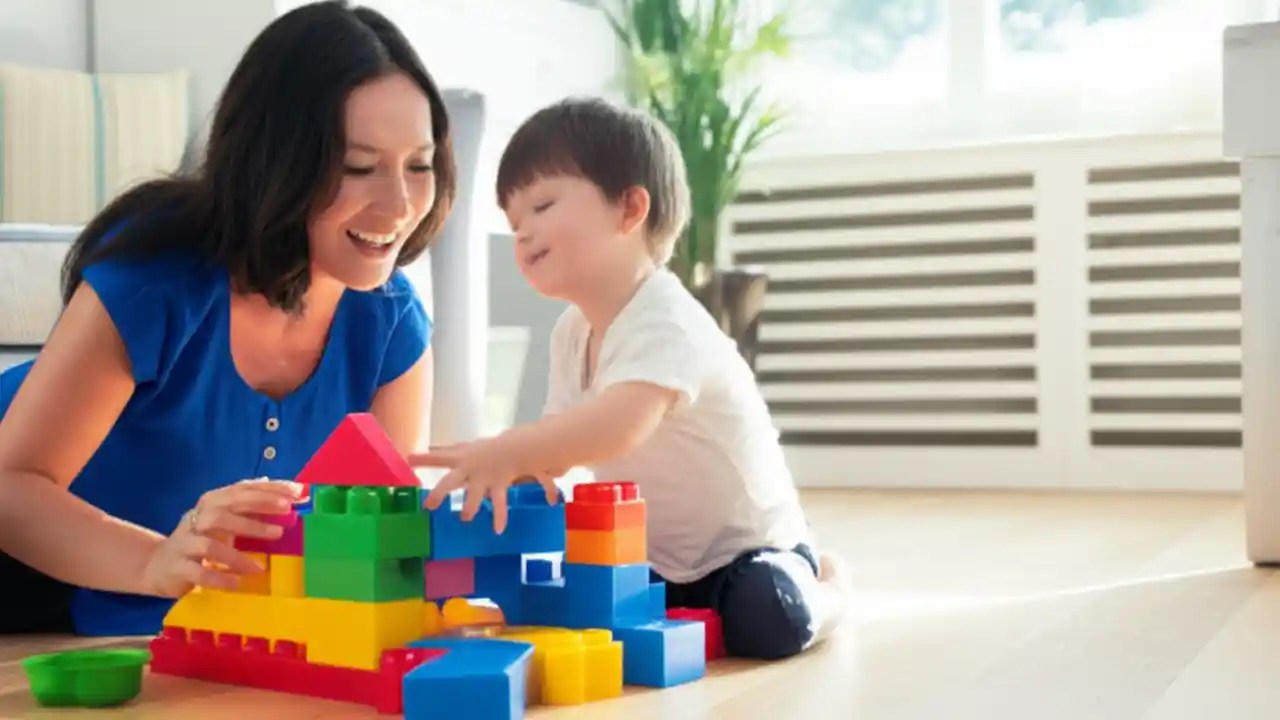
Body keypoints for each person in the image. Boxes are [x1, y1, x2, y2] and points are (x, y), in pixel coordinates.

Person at [0, 1, 455, 636]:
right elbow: (12, 488)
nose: (400, 204)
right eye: (358, 167)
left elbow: (383, 535)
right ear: (276, 161)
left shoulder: (391, 326)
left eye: (419, 164)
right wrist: (155, 559)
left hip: (165, 623)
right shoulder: (155, 278)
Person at [412, 97, 851, 660]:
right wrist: (485, 499)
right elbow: (558, 448)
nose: (522, 233)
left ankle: (831, 587)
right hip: (654, 557)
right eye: (513, 221)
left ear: (629, 210)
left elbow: (618, 426)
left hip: (746, 550)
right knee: (584, 607)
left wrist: (508, 448)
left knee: (769, 619)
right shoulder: (572, 332)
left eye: (542, 205)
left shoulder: (666, 318)